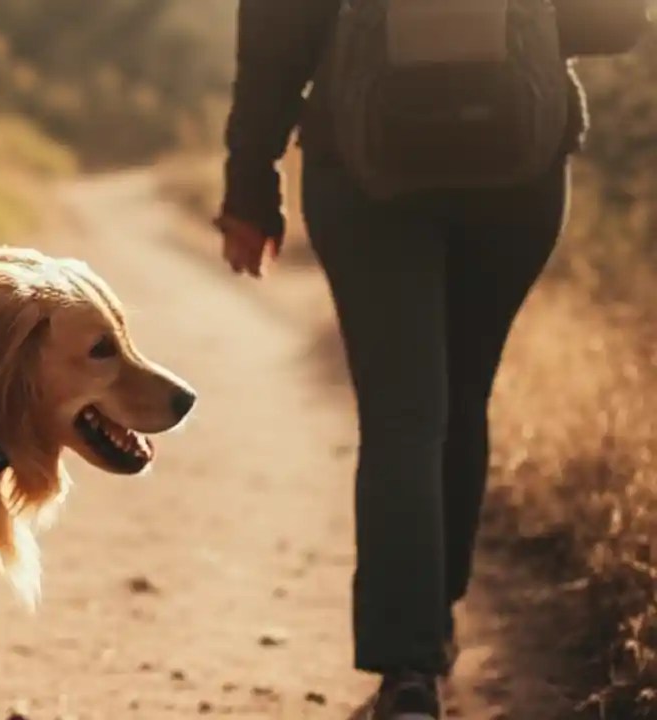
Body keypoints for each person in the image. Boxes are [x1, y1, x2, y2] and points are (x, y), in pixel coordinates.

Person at [216, 1, 588, 718]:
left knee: (403, 417)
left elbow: (272, 40)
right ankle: (433, 617)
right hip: (518, 162)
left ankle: (409, 671)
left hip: (363, 166)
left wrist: (249, 186)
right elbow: (618, 25)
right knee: (462, 396)